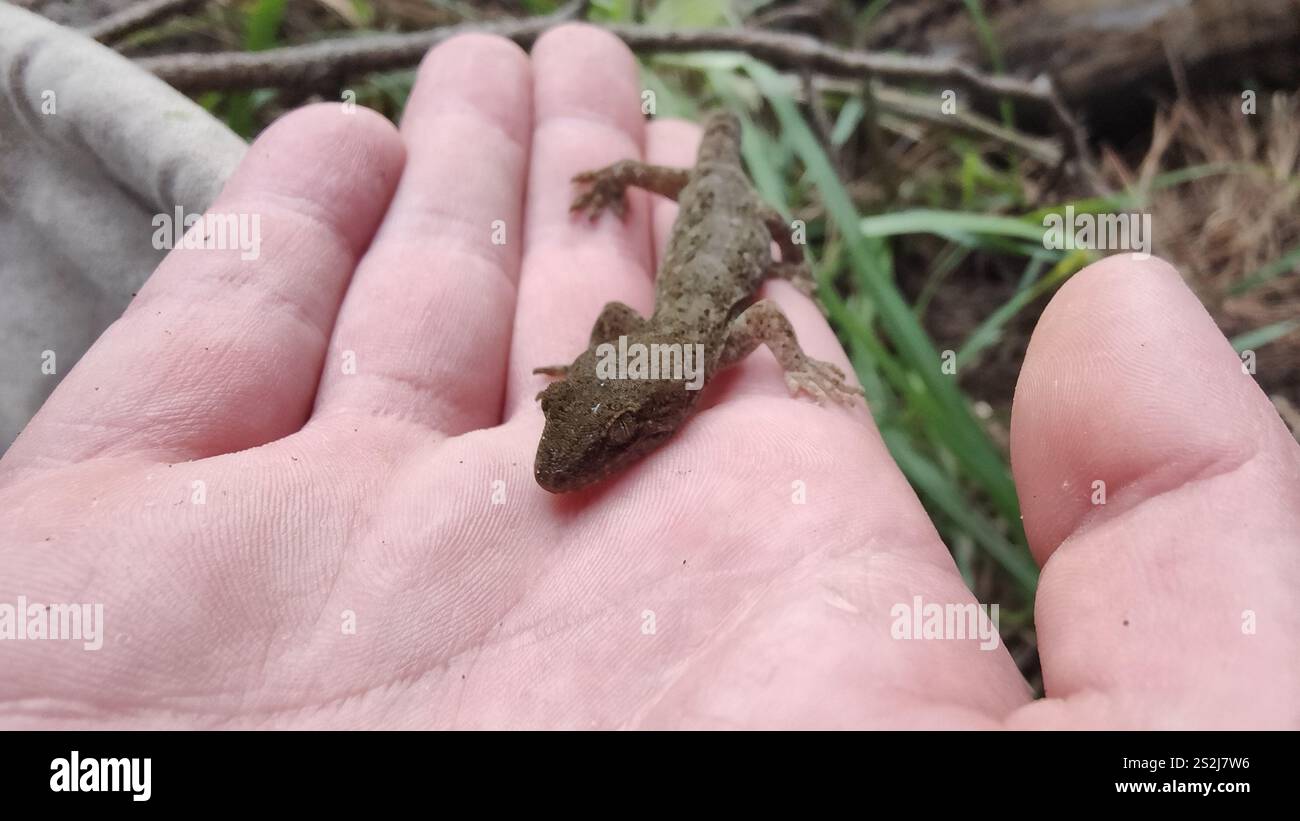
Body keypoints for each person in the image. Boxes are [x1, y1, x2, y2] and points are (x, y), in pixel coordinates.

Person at [0, 25, 1295, 729]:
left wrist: (796, 351)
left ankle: (705, 190)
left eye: (593, 441)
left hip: (732, 219)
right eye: (581, 435)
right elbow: (626, 321)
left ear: (651, 421)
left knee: (746, 223)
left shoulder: (702, 360)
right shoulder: (646, 361)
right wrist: (615, 218)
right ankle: (649, 163)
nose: (570, 466)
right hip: (695, 233)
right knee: (699, 189)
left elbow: (747, 330)